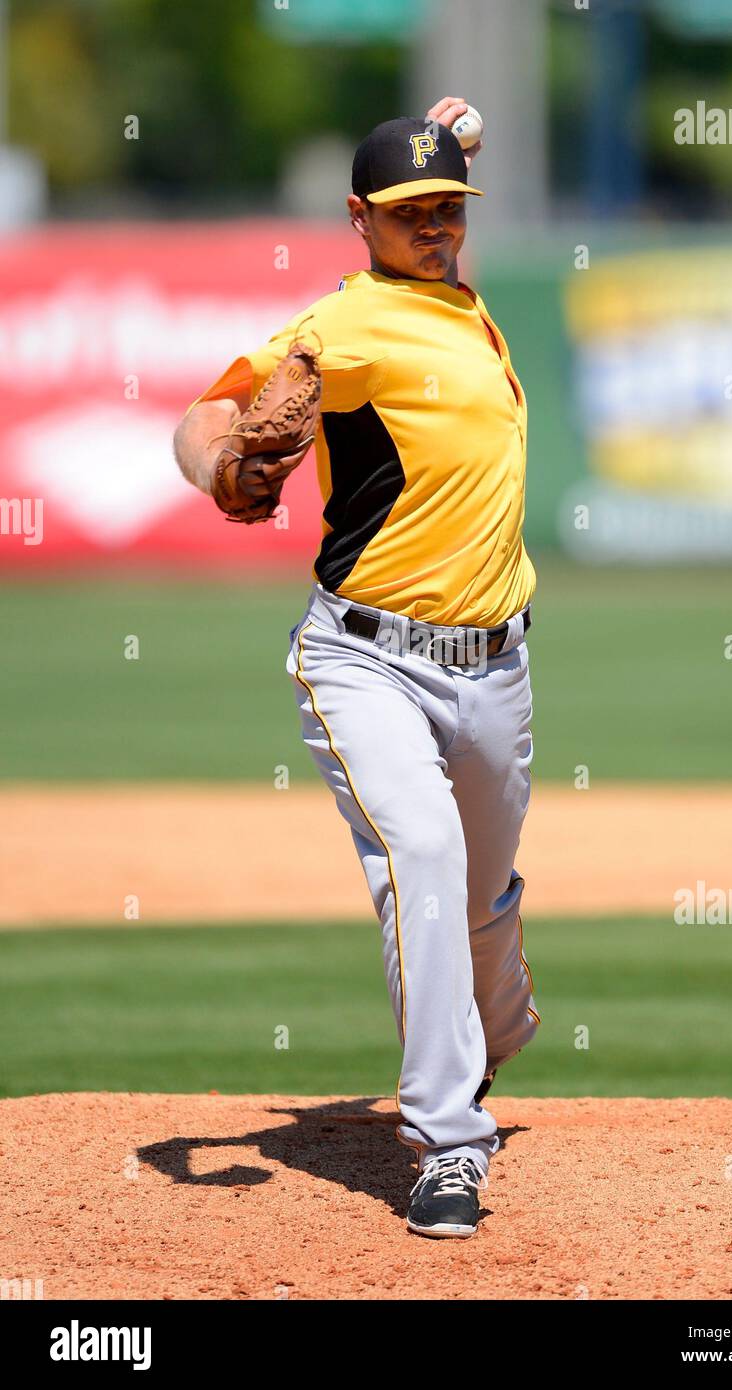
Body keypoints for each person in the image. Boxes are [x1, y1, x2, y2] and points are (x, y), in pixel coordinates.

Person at [174, 98, 540, 1239]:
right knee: (418, 850)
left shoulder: (452, 288)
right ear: (355, 220)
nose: (435, 224)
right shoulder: (343, 326)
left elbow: (426, 177)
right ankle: (445, 1141)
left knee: (479, 897)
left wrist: (441, 143)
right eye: (408, 211)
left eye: (448, 208)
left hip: (496, 667)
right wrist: (220, 471)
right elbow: (211, 413)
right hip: (364, 660)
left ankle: (487, 1029)